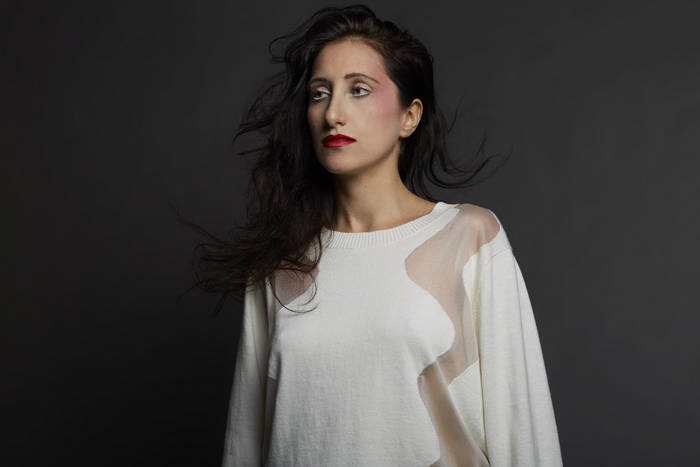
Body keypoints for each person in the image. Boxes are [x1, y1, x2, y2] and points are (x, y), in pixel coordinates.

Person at [182, 4, 563, 466]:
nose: (333, 113)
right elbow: (246, 441)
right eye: (319, 94)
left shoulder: (470, 237)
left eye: (358, 89)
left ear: (409, 116)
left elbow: (523, 426)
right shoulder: (278, 262)